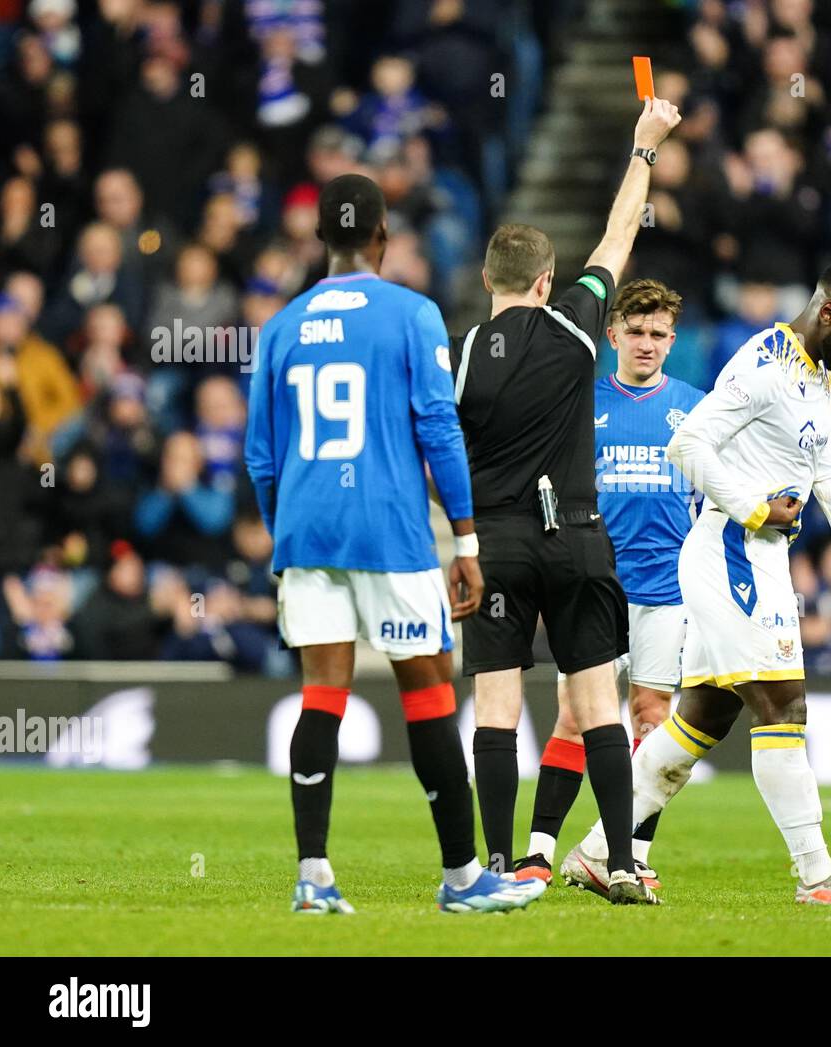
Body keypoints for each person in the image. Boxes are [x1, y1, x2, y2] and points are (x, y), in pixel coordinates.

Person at [564, 258, 831, 908]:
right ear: (828, 312)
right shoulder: (764, 366)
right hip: (733, 550)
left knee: (698, 721)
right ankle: (817, 874)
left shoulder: (812, 375)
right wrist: (752, 506)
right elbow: (687, 445)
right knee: (784, 705)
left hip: (758, 557)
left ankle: (595, 849)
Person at [244, 173, 543, 916]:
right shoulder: (412, 314)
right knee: (428, 691)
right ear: (382, 237)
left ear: (320, 239)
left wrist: (287, 525)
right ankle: (463, 876)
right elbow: (438, 428)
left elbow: (260, 457)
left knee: (323, 693)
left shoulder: (281, 326)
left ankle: (313, 875)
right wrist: (467, 536)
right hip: (391, 531)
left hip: (307, 532)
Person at [451, 98, 681, 906]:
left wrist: (457, 547)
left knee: (496, 705)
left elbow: (444, 456)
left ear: (487, 280)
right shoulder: (579, 325)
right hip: (579, 539)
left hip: (499, 545)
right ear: (549, 281)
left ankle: (502, 863)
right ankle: (621, 862)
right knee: (596, 705)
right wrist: (642, 149)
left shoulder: (463, 354)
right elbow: (620, 235)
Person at [512, 278, 704, 891]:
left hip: (669, 591)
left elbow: (715, 500)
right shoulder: (582, 408)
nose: (646, 343)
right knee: (574, 714)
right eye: (636, 332)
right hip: (595, 586)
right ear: (612, 334)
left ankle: (631, 854)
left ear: (672, 342)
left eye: (658, 334)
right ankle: (538, 851)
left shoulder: (697, 410)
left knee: (653, 719)